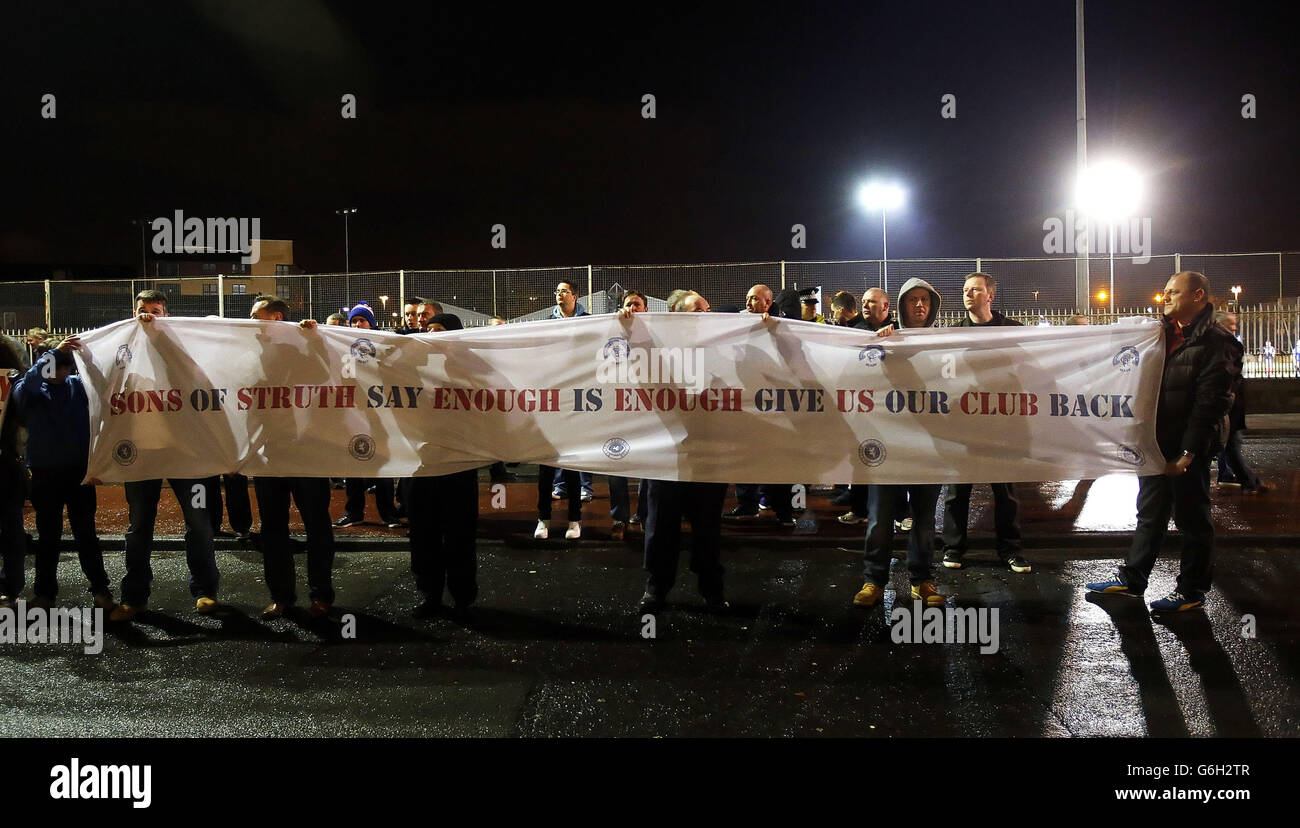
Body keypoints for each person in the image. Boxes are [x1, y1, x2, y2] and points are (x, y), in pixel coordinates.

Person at [1086, 271, 1237, 613]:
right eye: (1166, 291)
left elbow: (1211, 403)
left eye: (1174, 292)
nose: (1165, 297)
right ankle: (1132, 580)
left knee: (1192, 518)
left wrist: (1188, 452)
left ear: (1198, 296)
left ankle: (1191, 591)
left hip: (1187, 446)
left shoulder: (1217, 342)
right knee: (1150, 512)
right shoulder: (1156, 334)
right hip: (1155, 442)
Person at [111, 289, 222, 621]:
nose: (147, 315)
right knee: (138, 526)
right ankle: (134, 597)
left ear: (167, 316)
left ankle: (205, 590)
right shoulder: (121, 347)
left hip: (186, 452)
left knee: (199, 523)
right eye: (142, 310)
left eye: (155, 310)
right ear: (133, 314)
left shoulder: (182, 346)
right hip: (141, 452)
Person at [853, 278, 947, 609]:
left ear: (932, 306)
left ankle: (922, 580)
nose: (919, 305)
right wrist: (875, 345)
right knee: (879, 517)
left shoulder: (944, 343)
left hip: (928, 444)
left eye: (925, 300)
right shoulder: (886, 339)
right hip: (887, 441)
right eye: (912, 300)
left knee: (924, 518)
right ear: (902, 305)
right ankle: (873, 580)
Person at [246, 295, 338, 620]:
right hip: (270, 453)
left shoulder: (301, 348)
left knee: (317, 525)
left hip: (307, 452)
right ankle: (281, 596)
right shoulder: (247, 352)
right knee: (273, 528)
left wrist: (315, 340)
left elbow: (327, 374)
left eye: (257, 316)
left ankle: (321, 595)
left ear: (277, 318)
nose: (251, 322)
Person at [639, 291, 730, 614]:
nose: (707, 315)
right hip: (668, 454)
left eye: (708, 309)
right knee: (661, 526)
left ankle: (712, 588)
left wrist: (767, 328)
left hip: (709, 454)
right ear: (677, 316)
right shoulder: (658, 352)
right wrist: (624, 326)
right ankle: (657, 587)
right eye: (698, 311)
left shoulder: (722, 349)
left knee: (708, 526)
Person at [10, 338, 116, 611]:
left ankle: (100, 590)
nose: (59, 373)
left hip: (78, 471)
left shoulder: (77, 386)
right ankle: (45, 594)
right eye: (55, 366)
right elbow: (26, 389)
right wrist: (55, 353)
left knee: (86, 535)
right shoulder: (30, 388)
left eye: (65, 366)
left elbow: (105, 388)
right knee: (48, 536)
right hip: (46, 472)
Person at [940, 273, 1032, 574]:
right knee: (957, 490)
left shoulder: (1012, 331)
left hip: (1002, 424)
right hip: (964, 424)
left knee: (1005, 491)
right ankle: (953, 547)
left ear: (990, 295)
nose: (968, 294)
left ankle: (1011, 550)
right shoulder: (953, 333)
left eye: (975, 290)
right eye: (965, 290)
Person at [407, 313, 480, 619]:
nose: (430, 335)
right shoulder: (413, 368)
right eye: (427, 330)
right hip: (421, 463)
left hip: (459, 466)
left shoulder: (472, 371)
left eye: (438, 330)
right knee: (424, 535)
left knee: (459, 535)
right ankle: (430, 595)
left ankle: (462, 597)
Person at [726, 284, 795, 527]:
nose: (748, 303)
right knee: (744, 453)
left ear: (767, 302)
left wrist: (773, 329)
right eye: (747, 298)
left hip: (774, 403)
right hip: (746, 399)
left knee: (778, 458)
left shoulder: (783, 324)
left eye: (754, 299)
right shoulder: (740, 322)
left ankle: (783, 511)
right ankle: (748, 505)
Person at [335, 303, 401, 528]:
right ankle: (354, 512)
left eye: (362, 320)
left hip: (379, 412)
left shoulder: (383, 345)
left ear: (371, 324)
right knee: (352, 463)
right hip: (353, 413)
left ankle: (388, 513)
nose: (357, 325)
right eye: (354, 321)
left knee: (382, 463)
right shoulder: (342, 345)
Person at [609, 290, 650, 540]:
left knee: (649, 466)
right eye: (628, 304)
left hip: (648, 409)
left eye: (637, 304)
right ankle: (619, 517)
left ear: (646, 309)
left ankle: (644, 515)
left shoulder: (658, 332)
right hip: (620, 409)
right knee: (616, 464)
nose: (633, 308)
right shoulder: (613, 329)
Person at [548, 281, 593, 502]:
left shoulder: (589, 321)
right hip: (558, 385)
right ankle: (560, 485)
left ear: (574, 296)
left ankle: (585, 486)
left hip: (583, 385)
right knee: (559, 436)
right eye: (557, 291)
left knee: (583, 436)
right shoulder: (547, 323)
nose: (559, 294)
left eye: (564, 291)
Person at [1214, 311, 1268, 493]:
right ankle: (1248, 481)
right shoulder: (1225, 345)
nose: (1234, 327)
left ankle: (1225, 475)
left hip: (1229, 403)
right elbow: (1228, 376)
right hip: (1229, 404)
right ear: (1220, 324)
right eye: (1230, 323)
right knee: (1231, 445)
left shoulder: (1221, 343)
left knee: (1227, 442)